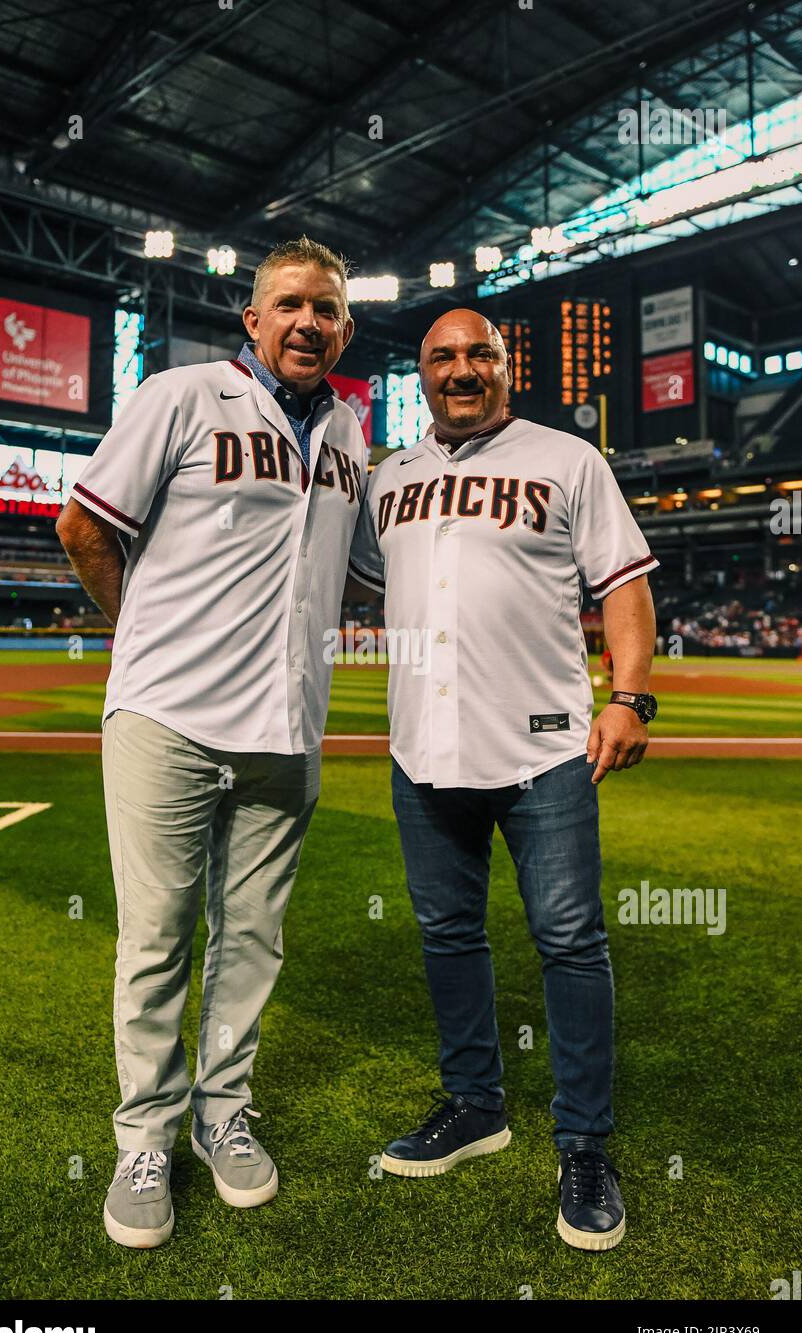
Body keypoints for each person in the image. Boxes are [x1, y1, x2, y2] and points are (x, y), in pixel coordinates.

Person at [56, 235, 366, 1248]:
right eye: (290, 304)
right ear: (253, 319)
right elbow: (83, 527)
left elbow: (371, 570)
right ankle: (143, 1136)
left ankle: (220, 1112)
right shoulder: (182, 397)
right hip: (169, 718)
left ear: (345, 329)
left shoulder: (350, 432)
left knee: (253, 939)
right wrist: (140, 634)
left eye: (326, 308)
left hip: (287, 726)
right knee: (157, 937)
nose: (307, 322)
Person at [348, 308, 659, 1252]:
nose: (462, 369)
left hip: (544, 752)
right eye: (443, 357)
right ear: (423, 374)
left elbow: (625, 585)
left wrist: (630, 698)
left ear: (504, 363)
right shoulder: (388, 478)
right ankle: (475, 1104)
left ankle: (585, 1144)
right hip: (422, 749)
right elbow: (367, 581)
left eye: (478, 353)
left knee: (569, 941)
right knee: (448, 933)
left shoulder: (568, 459)